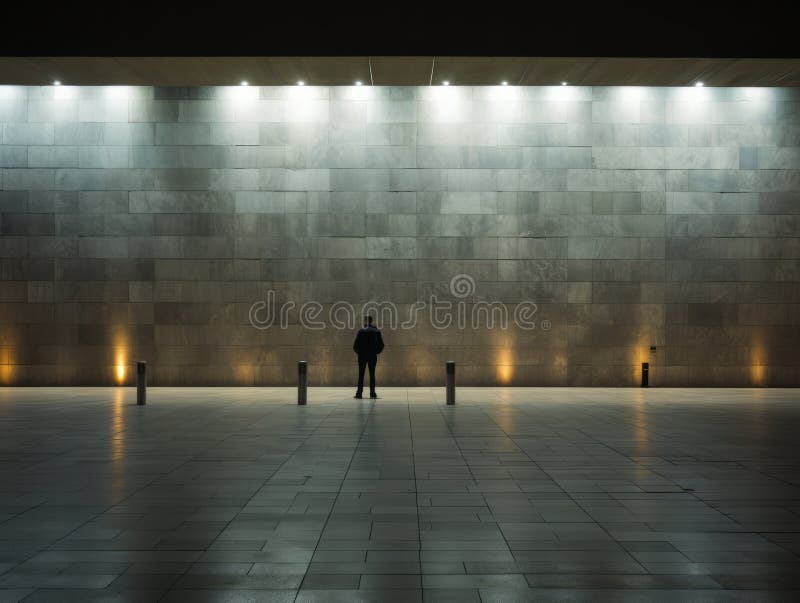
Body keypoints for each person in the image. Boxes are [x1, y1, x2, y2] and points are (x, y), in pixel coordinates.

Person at [352, 315, 384, 399]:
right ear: (371, 321)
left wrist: (359, 352)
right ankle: (372, 393)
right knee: (372, 374)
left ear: (365, 321)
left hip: (362, 356)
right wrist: (376, 352)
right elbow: (381, 345)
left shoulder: (361, 331)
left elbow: (355, 345)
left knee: (361, 374)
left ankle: (359, 393)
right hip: (372, 356)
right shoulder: (376, 331)